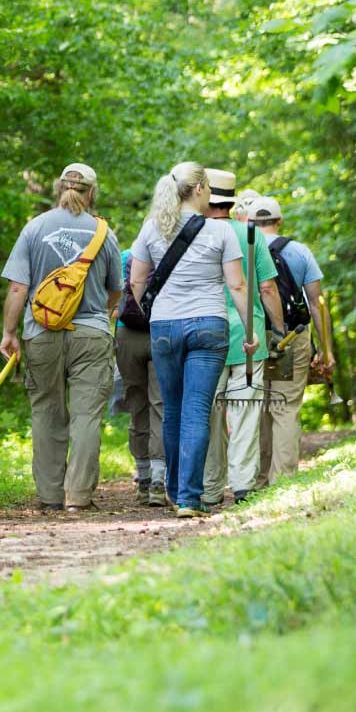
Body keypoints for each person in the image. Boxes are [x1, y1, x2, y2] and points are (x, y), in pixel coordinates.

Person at [126, 162, 256, 518]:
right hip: (209, 325)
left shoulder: (152, 227)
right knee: (197, 409)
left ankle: (173, 490)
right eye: (208, 187)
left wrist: (154, 314)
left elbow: (136, 281)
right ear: (199, 189)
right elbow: (237, 285)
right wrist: (249, 332)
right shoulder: (220, 231)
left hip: (165, 326)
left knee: (172, 409)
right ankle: (189, 498)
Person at [0, 163, 123, 512]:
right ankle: (78, 497)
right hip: (91, 334)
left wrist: (10, 332)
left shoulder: (34, 228)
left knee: (46, 411)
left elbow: (18, 288)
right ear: (92, 193)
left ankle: (50, 496)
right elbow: (116, 290)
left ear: (58, 188)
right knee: (86, 416)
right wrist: (101, 315)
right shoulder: (104, 234)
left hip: (42, 333)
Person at [200, 168, 283, 507]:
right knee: (245, 413)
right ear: (231, 200)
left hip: (205, 335)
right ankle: (243, 485)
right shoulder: (251, 234)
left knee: (208, 415)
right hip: (248, 337)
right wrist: (278, 329)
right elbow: (267, 287)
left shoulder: (194, 233)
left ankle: (209, 488)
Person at [247, 196, 335, 485]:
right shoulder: (299, 251)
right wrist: (326, 350)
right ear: (280, 221)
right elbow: (316, 303)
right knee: (285, 407)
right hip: (291, 336)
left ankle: (259, 478)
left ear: (250, 222)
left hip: (252, 337)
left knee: (259, 406)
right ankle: (282, 479)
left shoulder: (243, 249)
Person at [114, 246, 166, 506]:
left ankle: (143, 477)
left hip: (127, 333)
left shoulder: (126, 256)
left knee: (136, 405)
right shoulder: (170, 254)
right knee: (161, 406)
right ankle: (158, 479)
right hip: (161, 331)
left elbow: (112, 297)